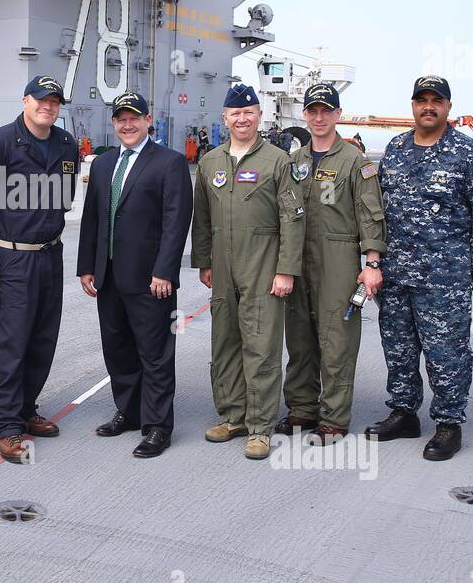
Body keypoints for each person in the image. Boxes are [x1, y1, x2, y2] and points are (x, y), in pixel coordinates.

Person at [365, 75, 473, 459]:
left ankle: (448, 423)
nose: (428, 106)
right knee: (398, 348)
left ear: (448, 106)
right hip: (396, 274)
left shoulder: (467, 152)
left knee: (446, 351)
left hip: (444, 276)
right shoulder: (395, 149)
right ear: (412, 105)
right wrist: (372, 260)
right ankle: (404, 412)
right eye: (421, 100)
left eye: (436, 100)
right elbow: (377, 209)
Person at [0, 74, 78, 463]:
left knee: (43, 337)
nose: (48, 105)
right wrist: (7, 238)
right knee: (9, 342)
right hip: (13, 259)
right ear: (26, 100)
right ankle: (7, 426)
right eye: (41, 99)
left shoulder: (65, 145)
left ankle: (27, 409)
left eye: (55, 101)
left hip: (51, 255)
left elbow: (65, 197)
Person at [190, 82, 305, 459]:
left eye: (249, 112)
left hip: (263, 267)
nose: (242, 118)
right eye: (235, 113)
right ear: (225, 118)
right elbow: (202, 219)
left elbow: (292, 218)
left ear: (259, 116)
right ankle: (233, 415)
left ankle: (259, 426)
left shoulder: (277, 162)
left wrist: (286, 269)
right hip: (222, 268)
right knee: (224, 344)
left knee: (260, 347)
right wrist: (204, 262)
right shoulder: (210, 162)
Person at [77, 92, 192, 458]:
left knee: (155, 353)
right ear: (114, 123)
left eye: (134, 118)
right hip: (108, 276)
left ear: (147, 120)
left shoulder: (169, 163)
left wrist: (165, 271)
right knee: (118, 349)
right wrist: (86, 267)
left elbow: (177, 221)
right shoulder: (103, 164)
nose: (127, 125)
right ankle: (128, 411)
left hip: (150, 280)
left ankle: (158, 425)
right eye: (120, 119)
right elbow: (92, 218)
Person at [278, 82, 386, 444]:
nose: (319, 117)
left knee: (336, 339)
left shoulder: (355, 161)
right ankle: (302, 410)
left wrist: (371, 261)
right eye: (313, 110)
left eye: (327, 110)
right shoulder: (295, 162)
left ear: (338, 114)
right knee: (299, 337)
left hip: (338, 257)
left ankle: (333, 419)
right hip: (298, 258)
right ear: (305, 115)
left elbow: (370, 214)